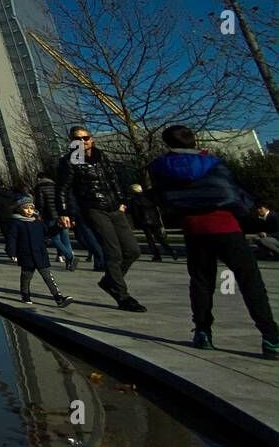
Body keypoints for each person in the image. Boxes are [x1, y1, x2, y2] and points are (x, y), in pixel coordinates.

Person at [149, 124, 278, 359]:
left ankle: (203, 331)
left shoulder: (160, 167)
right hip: (225, 225)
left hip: (193, 229)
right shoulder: (213, 162)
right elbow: (233, 189)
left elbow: (161, 196)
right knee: (250, 282)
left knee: (201, 280)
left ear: (167, 144)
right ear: (194, 140)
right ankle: (270, 337)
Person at [55, 127, 145, 312]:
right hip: (94, 208)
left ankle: (109, 281)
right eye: (77, 139)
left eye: (85, 138)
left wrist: (121, 201)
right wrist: (64, 212)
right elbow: (63, 189)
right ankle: (122, 296)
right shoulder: (71, 161)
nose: (83, 142)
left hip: (114, 207)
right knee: (113, 252)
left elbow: (113, 180)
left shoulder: (101, 156)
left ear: (91, 138)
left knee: (132, 250)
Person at [10, 196, 73, 307]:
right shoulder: (17, 223)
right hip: (27, 255)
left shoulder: (38, 222)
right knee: (26, 276)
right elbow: (12, 239)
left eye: (31, 208)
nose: (30, 211)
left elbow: (48, 233)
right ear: (20, 209)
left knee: (48, 277)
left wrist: (59, 227)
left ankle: (59, 298)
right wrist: (12, 253)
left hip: (40, 254)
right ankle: (25, 294)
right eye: (26, 208)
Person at [32, 170, 76, 270]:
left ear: (39, 178)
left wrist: (39, 214)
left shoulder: (39, 187)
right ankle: (69, 263)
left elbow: (40, 204)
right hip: (62, 214)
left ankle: (69, 256)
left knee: (55, 238)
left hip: (50, 216)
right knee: (65, 238)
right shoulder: (56, 186)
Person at [127, 183, 177, 261]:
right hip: (154, 219)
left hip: (145, 221)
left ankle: (156, 255)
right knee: (159, 237)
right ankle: (171, 251)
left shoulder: (134, 200)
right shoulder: (148, 196)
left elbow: (134, 212)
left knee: (150, 239)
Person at [0, 178, 21, 260]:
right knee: (14, 234)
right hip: (12, 214)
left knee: (7, 235)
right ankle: (13, 251)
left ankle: (11, 252)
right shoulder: (9, 192)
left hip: (2, 216)